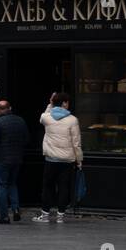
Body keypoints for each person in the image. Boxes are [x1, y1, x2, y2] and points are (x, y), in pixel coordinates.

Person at [37, 91, 82, 223]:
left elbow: (43, 117)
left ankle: (45, 215)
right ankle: (60, 216)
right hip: (67, 160)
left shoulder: (46, 117)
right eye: (67, 102)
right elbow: (76, 143)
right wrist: (79, 160)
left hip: (51, 159)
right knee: (64, 187)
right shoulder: (73, 120)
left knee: (47, 186)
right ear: (64, 103)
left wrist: (50, 104)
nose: (68, 104)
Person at [0, 99, 29, 224]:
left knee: (1, 186)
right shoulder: (20, 121)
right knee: (12, 184)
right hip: (17, 159)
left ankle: (4, 216)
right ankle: (16, 209)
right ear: (9, 108)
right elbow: (26, 139)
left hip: (2, 159)